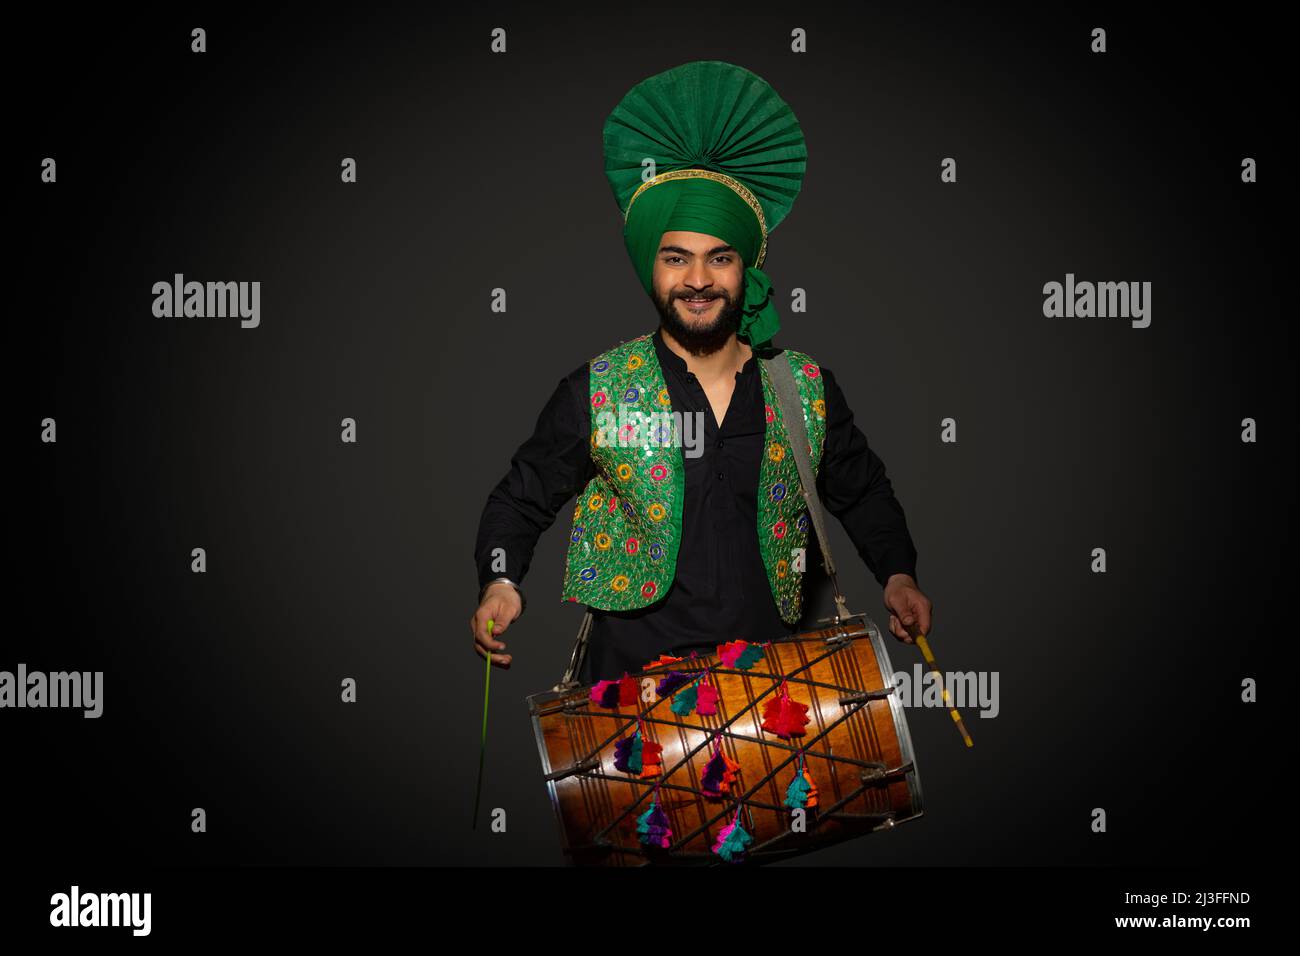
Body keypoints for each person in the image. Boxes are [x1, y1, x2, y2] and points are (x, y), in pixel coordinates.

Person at [470, 60, 932, 683]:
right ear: (652, 268)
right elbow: (520, 498)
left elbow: (864, 490)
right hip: (628, 695)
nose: (697, 280)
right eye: (675, 258)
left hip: (775, 693)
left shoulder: (804, 388)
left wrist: (898, 574)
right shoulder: (597, 390)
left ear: (746, 269)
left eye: (719, 258)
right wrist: (500, 582)